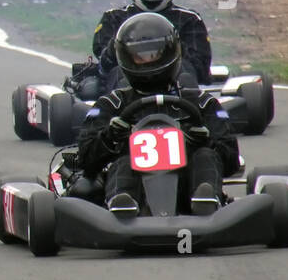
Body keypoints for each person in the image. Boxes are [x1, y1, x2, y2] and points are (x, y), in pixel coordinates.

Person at [77, 13, 240, 217]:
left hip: (187, 191)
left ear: (171, 52)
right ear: (126, 58)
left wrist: (205, 142)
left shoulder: (201, 102)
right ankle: (122, 205)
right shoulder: (111, 104)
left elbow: (232, 160)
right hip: (136, 193)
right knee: (124, 160)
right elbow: (85, 160)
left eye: (155, 54)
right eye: (140, 56)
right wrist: (110, 138)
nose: (148, 62)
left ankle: (205, 200)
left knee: (206, 155)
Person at [90, 0, 212, 93]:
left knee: (186, 75)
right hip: (126, 100)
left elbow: (199, 69)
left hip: (177, 97)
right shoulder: (114, 19)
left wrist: (171, 46)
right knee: (118, 73)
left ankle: (190, 114)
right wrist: (119, 46)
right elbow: (105, 66)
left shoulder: (190, 20)